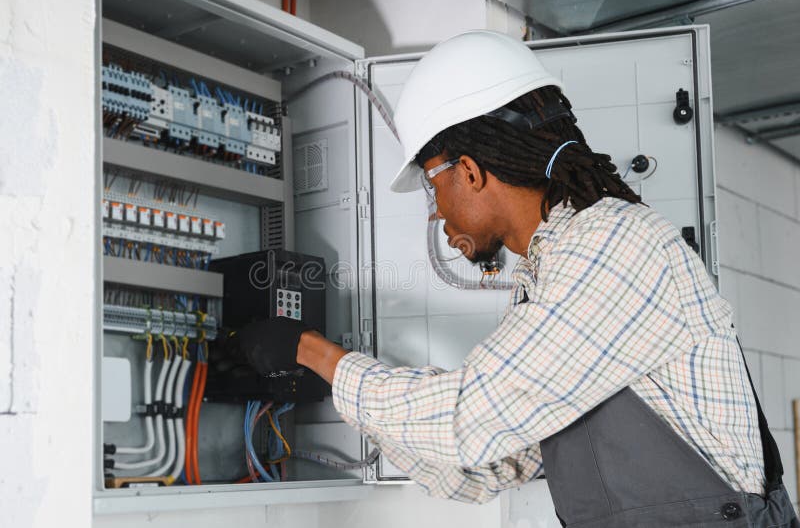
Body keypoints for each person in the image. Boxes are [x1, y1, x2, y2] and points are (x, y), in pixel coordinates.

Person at [242, 30, 799, 527]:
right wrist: (352, 397)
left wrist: (312, 351)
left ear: (469, 171)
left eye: (432, 188)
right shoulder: (551, 273)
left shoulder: (612, 245)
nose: (436, 212)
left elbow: (470, 417)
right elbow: (488, 465)